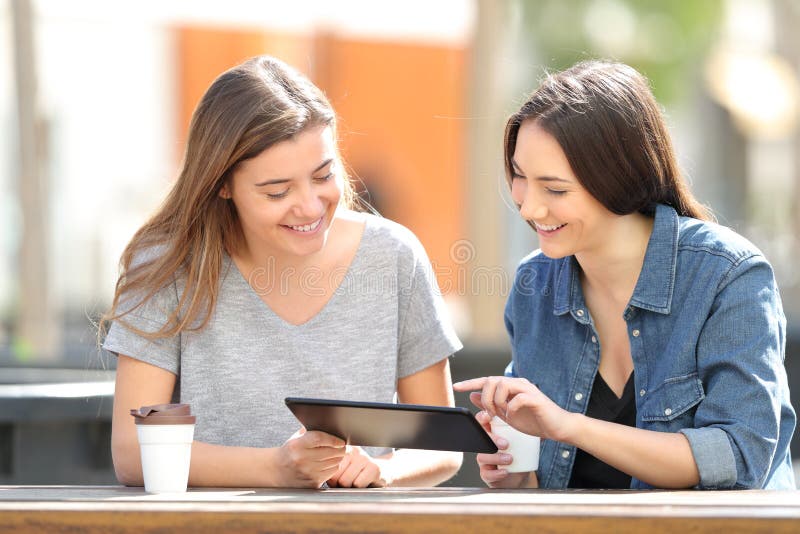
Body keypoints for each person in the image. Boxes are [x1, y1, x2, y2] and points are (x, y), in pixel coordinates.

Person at [102, 55, 463, 489]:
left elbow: (442, 446)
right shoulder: (167, 264)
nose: (310, 206)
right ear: (221, 185)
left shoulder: (394, 256)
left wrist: (383, 470)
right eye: (277, 191)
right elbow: (132, 453)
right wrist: (276, 469)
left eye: (323, 175)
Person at [454, 60, 796, 490]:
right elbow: (551, 482)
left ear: (618, 180)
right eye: (520, 178)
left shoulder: (727, 275)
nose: (528, 208)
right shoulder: (534, 285)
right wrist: (519, 477)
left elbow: (738, 456)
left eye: (555, 189)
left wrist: (568, 426)